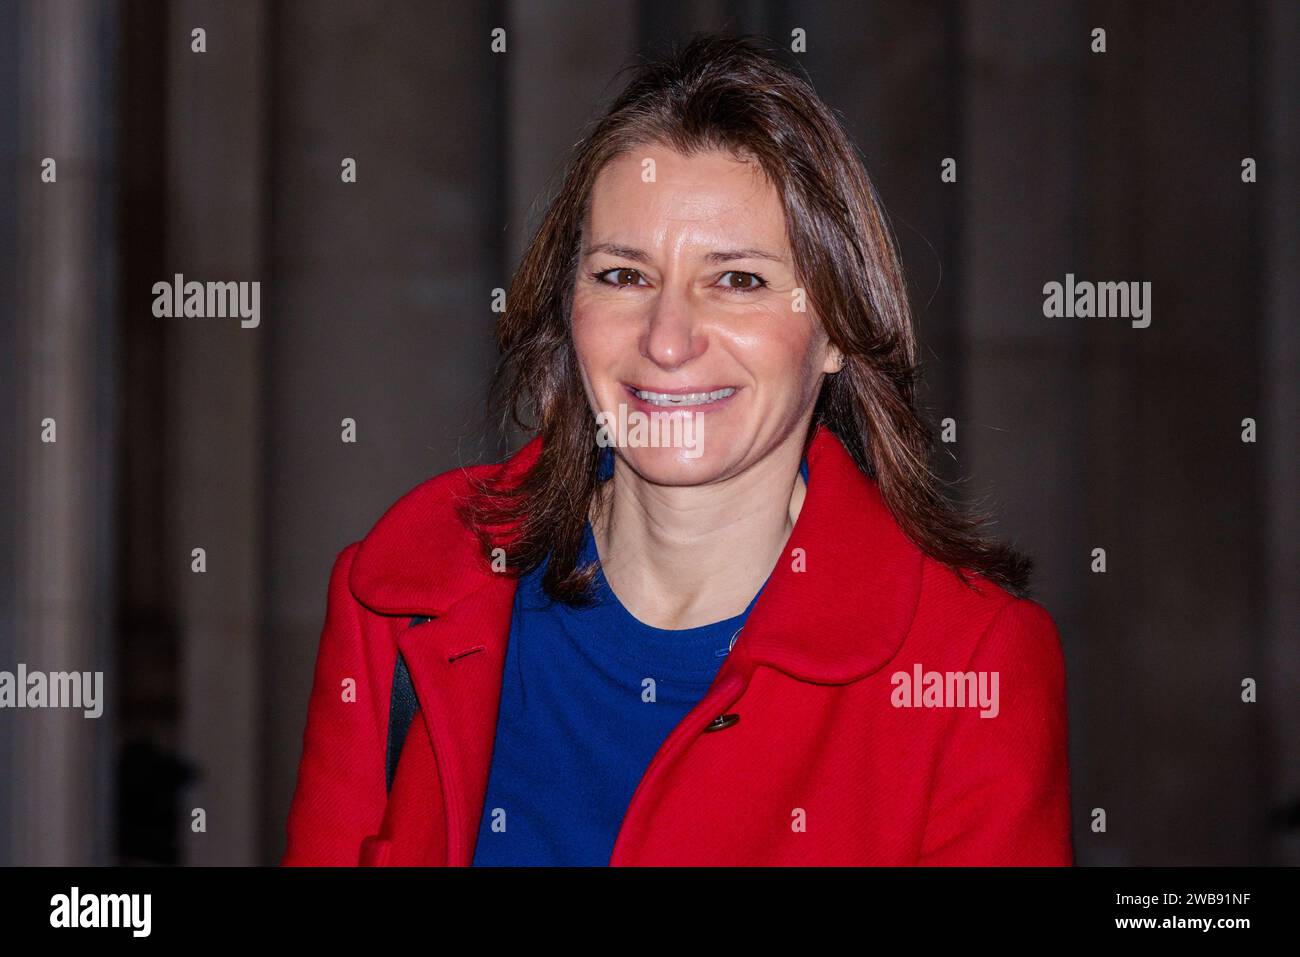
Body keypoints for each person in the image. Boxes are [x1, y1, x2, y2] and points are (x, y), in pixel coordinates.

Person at [281, 33, 1072, 867]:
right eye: (624, 275)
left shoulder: (967, 672)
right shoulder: (401, 598)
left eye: (738, 279)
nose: (667, 338)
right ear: (568, 309)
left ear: (837, 326)